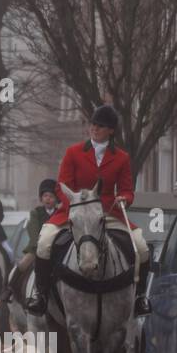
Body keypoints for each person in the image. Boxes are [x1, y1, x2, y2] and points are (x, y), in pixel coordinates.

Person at [27, 104, 150, 317]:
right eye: (92, 124)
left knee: (141, 246)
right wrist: (74, 205)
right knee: (45, 243)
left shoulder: (121, 158)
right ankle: (41, 295)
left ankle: (140, 298)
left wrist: (124, 198)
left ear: (111, 130)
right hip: (74, 211)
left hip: (108, 212)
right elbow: (61, 185)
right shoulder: (73, 152)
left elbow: (127, 190)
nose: (94, 128)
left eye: (100, 126)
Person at [10, 178, 58, 294]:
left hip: (57, 249)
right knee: (22, 265)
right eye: (45, 196)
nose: (48, 198)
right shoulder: (36, 213)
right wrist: (40, 246)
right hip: (36, 249)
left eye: (51, 196)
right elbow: (34, 232)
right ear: (41, 198)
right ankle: (8, 290)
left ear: (56, 199)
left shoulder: (60, 214)